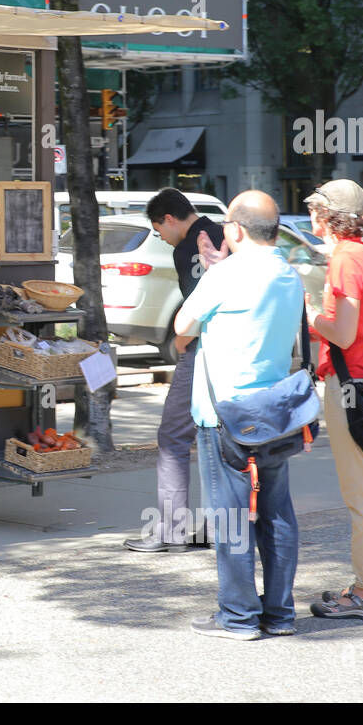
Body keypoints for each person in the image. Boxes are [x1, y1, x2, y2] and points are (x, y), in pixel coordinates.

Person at [174, 190, 304, 640]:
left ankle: (238, 617)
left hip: (224, 414)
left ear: (235, 229)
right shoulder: (289, 273)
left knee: (231, 517)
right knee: (276, 514)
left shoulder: (226, 274)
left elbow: (182, 327)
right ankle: (280, 614)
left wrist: (214, 271)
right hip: (275, 413)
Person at [304, 179, 363, 621]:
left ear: (328, 214)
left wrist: (310, 315)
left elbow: (343, 332)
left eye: (313, 209)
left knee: (362, 495)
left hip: (350, 387)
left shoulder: (345, 260)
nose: (309, 217)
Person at [124, 188, 224, 552]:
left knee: (172, 437)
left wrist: (183, 340)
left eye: (157, 230)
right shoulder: (224, 233)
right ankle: (217, 527)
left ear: (168, 219)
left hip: (202, 351)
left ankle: (171, 529)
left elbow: (199, 305)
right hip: (235, 353)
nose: (161, 238)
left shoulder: (187, 248)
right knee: (215, 437)